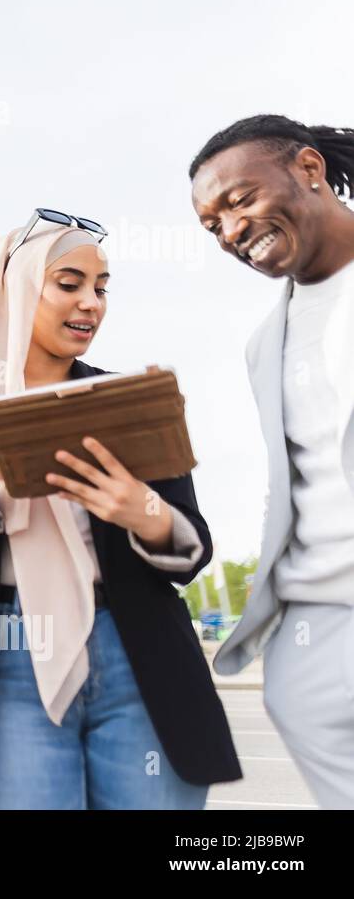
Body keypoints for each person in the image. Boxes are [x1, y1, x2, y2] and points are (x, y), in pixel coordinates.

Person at [0, 212, 241, 808]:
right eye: (70, 282)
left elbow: (193, 550)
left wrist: (143, 510)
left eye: (102, 287)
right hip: (0, 653)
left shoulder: (123, 397)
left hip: (136, 652)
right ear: (16, 286)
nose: (92, 303)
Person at [191, 115, 354, 808]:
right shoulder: (266, 343)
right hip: (322, 623)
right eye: (211, 225)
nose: (230, 230)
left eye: (238, 201)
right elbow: (290, 477)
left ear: (309, 169)